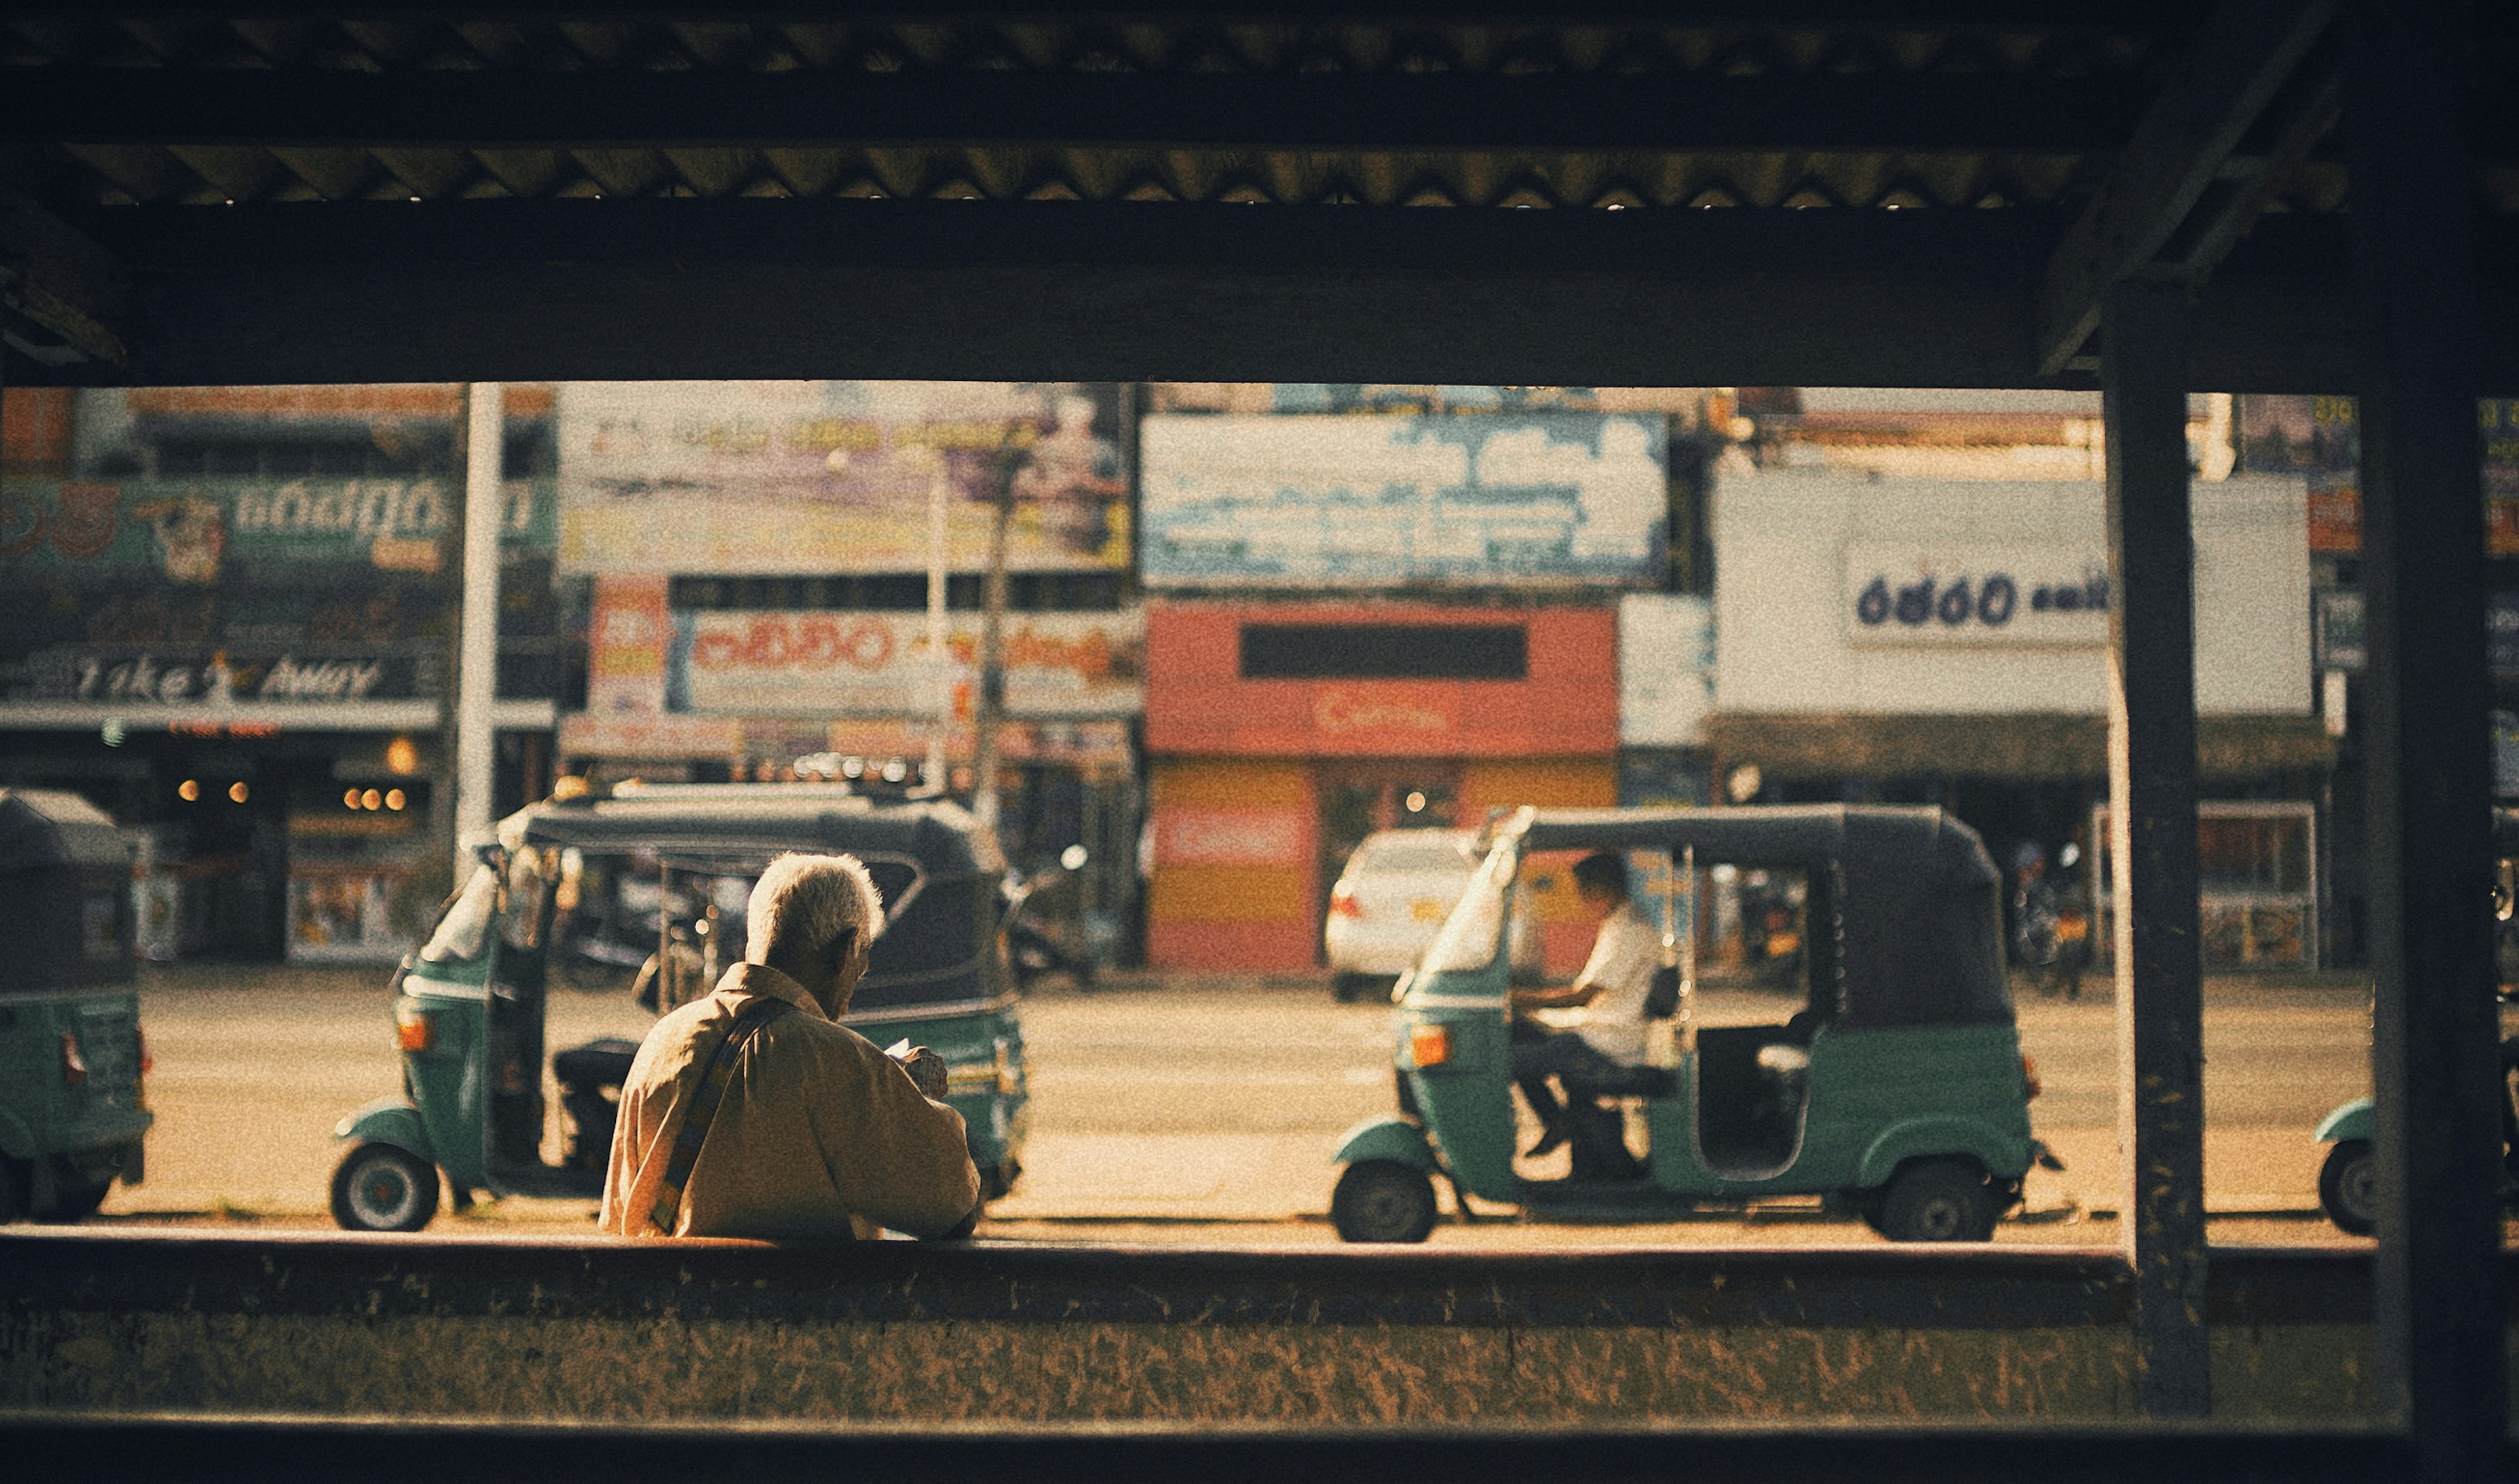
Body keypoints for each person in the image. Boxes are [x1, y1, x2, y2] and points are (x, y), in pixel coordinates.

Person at [600, 853, 981, 1242]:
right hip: (796, 1302)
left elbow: (620, 1216)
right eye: (862, 960)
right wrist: (911, 1098)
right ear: (847, 950)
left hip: (667, 1299)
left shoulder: (662, 1042)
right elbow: (954, 1212)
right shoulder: (836, 1061)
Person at [1508, 851, 1662, 1161]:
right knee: (1516, 1032)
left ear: (1601, 889)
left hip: (1610, 1041)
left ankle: (1556, 1121)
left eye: (1583, 891)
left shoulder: (1629, 931)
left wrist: (1519, 998)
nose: (1580, 900)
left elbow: (1582, 996)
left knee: (1508, 1062)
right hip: (1596, 1030)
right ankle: (1558, 1121)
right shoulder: (1616, 923)